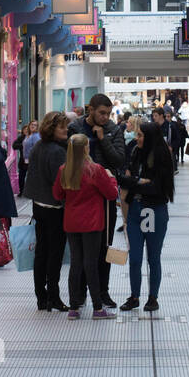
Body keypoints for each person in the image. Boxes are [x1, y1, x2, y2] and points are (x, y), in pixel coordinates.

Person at [53, 133, 118, 319]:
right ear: (86, 148)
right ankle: (98, 308)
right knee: (91, 264)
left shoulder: (64, 170)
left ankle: (74, 308)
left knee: (76, 264)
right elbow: (111, 194)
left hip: (72, 223)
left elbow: (57, 194)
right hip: (92, 223)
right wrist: (111, 177)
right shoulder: (95, 170)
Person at [71, 93, 127, 308]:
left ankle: (103, 291)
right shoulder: (76, 128)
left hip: (104, 199)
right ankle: (82, 291)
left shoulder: (113, 130)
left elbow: (119, 160)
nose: (105, 117)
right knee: (82, 250)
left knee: (105, 246)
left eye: (108, 113)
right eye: (102, 113)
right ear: (90, 109)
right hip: (80, 198)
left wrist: (103, 139)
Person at [118, 120, 174, 313]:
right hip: (135, 210)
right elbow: (124, 179)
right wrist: (138, 181)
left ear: (149, 137)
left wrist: (134, 182)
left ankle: (153, 297)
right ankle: (134, 296)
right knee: (134, 257)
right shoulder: (135, 152)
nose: (136, 138)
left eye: (140, 135)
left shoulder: (162, 156)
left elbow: (157, 188)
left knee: (153, 257)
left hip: (154, 211)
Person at [23, 111, 70, 310]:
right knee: (55, 253)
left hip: (38, 205)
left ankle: (41, 297)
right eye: (62, 127)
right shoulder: (57, 151)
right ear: (53, 129)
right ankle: (53, 296)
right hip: (54, 208)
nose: (66, 130)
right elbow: (60, 182)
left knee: (41, 251)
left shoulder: (38, 146)